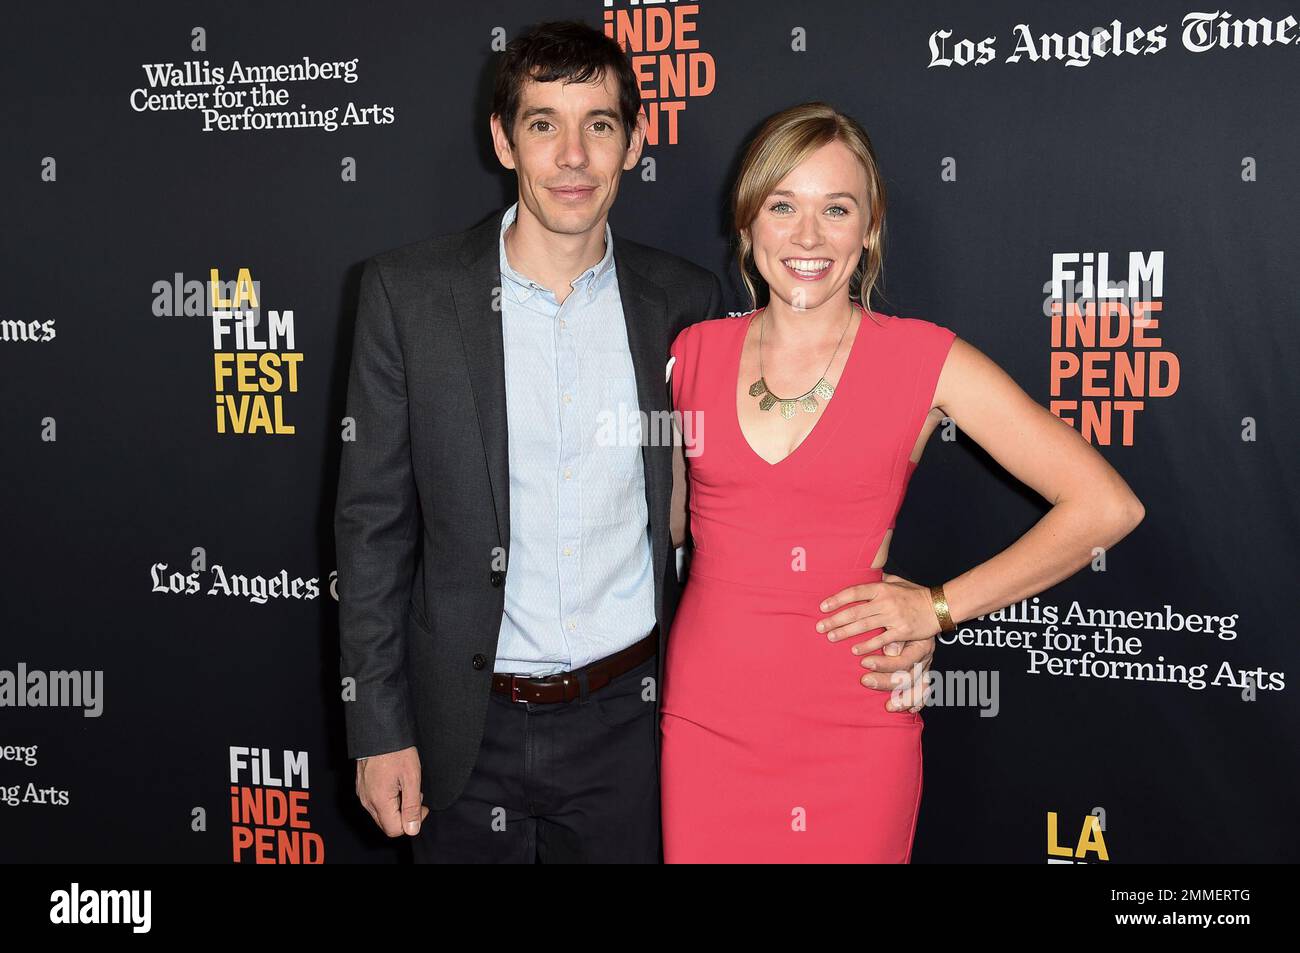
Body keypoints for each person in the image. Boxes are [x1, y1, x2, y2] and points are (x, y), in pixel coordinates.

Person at [660, 102, 1145, 863]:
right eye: (783, 205)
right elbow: (676, 524)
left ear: (869, 229)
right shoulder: (692, 353)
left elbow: (1105, 505)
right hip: (705, 727)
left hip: (854, 727)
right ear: (749, 222)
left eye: (837, 208)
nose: (808, 236)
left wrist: (940, 608)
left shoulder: (923, 358)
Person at [334, 20, 720, 862]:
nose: (573, 156)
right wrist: (377, 727)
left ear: (635, 142)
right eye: (544, 123)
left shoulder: (686, 302)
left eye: (600, 124)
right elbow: (372, 529)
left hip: (634, 724)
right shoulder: (407, 296)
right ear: (505, 140)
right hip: (461, 730)